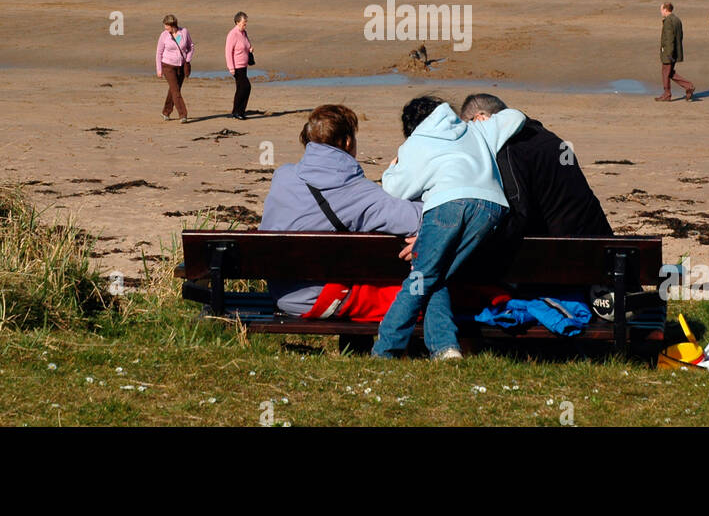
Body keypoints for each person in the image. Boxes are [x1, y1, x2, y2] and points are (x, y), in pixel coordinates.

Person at [372, 96, 526, 360]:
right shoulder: (474, 129)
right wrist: (487, 120)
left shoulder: (416, 142)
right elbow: (517, 117)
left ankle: (385, 349)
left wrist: (392, 168)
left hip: (447, 205)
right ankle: (445, 349)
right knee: (437, 276)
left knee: (420, 278)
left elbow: (395, 189)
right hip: (491, 207)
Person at [259, 105, 421, 320]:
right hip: (320, 298)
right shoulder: (358, 192)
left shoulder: (283, 176)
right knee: (421, 297)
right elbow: (419, 220)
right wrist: (399, 180)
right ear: (347, 142)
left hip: (282, 292)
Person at [458, 93, 612, 243]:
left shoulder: (510, 149)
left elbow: (518, 209)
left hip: (563, 247)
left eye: (470, 129)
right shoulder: (549, 137)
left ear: (481, 119)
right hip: (596, 233)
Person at [155, 14, 193, 122]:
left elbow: (191, 46)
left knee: (174, 90)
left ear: (173, 25)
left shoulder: (184, 32)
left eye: (167, 26)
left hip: (181, 66)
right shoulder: (164, 35)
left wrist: (188, 59)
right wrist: (159, 69)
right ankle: (183, 114)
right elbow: (159, 52)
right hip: (167, 66)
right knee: (176, 91)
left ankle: (165, 112)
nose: (165, 28)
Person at [657, 1, 694, 102]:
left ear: (665, 9)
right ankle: (688, 86)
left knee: (665, 72)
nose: (660, 12)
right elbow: (680, 36)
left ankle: (667, 94)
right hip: (675, 51)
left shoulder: (669, 21)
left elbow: (669, 39)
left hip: (669, 52)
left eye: (661, 9)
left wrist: (668, 53)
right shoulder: (677, 19)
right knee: (670, 73)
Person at [225, 11, 254, 120]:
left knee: (240, 88)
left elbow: (247, 44)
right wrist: (231, 67)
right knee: (246, 86)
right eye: (243, 22)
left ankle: (238, 112)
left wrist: (250, 48)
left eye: (246, 22)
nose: (245, 25)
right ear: (237, 22)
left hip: (244, 65)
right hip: (236, 66)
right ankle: (238, 111)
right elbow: (228, 52)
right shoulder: (232, 34)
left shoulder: (244, 33)